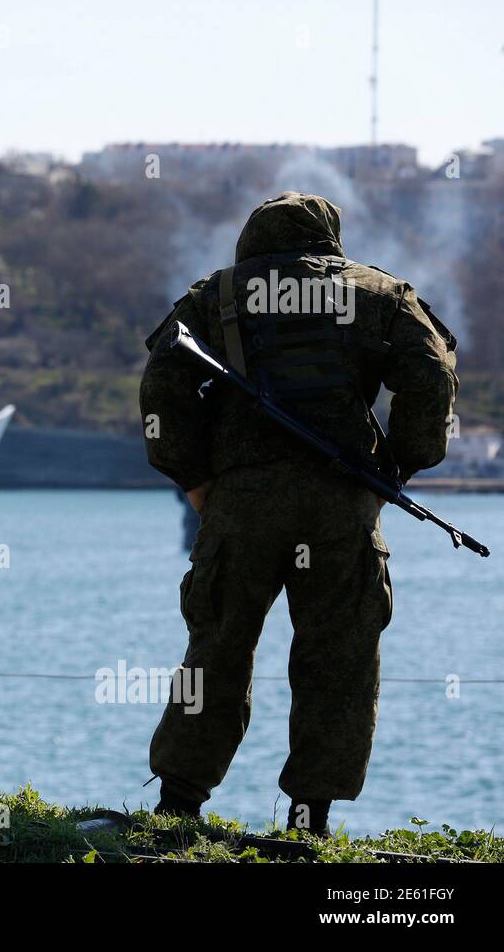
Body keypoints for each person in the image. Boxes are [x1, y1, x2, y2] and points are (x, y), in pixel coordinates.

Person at [138, 192, 458, 835]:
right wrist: (398, 466)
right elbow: (431, 377)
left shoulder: (216, 297)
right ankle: (310, 819)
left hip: (241, 507)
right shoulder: (378, 295)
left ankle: (177, 806)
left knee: (217, 648)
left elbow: (163, 387)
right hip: (342, 505)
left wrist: (195, 480)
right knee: (338, 659)